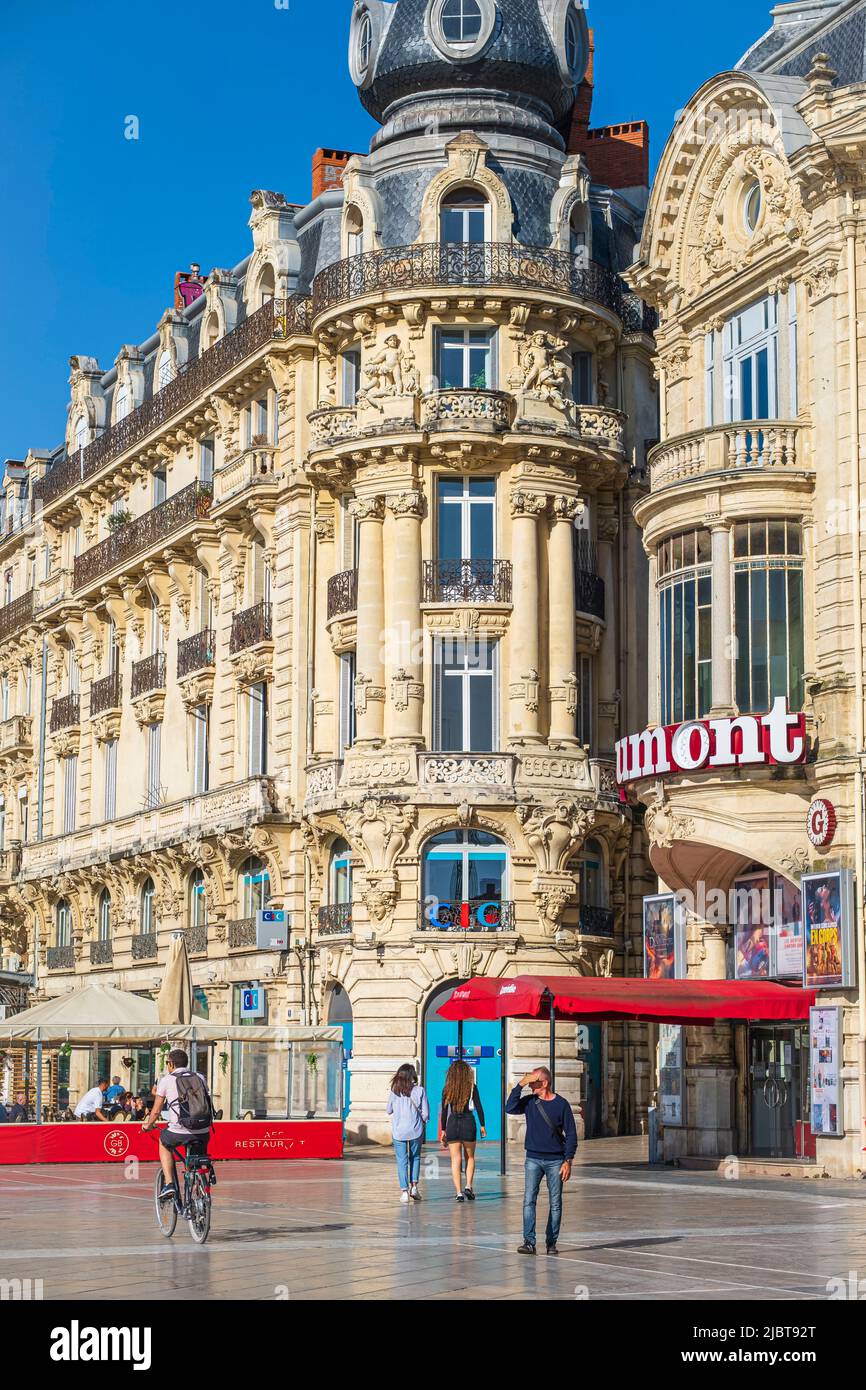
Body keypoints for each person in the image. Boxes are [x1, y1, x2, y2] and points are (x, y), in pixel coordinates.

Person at [506, 1068, 577, 1256]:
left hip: (556, 1160)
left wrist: (567, 1160)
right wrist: (520, 1084)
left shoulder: (562, 1104)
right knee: (529, 1200)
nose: (530, 1084)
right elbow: (510, 1107)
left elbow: (571, 1135)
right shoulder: (530, 1102)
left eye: (534, 1081)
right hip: (533, 1159)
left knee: (555, 1202)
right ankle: (529, 1242)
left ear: (544, 1083)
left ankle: (551, 1243)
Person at [142, 1049, 214, 1201]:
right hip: (203, 1130)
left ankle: (169, 1184)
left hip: (178, 1130)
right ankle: (198, 1188)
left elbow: (156, 1111)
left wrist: (148, 1125)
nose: (167, 1065)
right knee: (196, 1159)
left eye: (167, 1063)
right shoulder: (200, 1077)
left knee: (163, 1141)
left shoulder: (167, 1080)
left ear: (172, 1063)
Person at [438, 1059, 486, 1202]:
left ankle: (458, 1192)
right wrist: (483, 1125)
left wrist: (444, 1130)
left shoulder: (447, 1089)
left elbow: (445, 1111)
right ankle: (469, 1186)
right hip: (468, 1122)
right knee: (470, 1157)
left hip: (453, 1123)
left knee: (455, 1159)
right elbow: (479, 1107)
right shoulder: (472, 1087)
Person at [386, 1064, 429, 1204]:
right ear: (412, 1075)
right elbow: (426, 1114)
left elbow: (388, 1110)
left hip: (399, 1131)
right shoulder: (420, 1090)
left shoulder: (394, 1091)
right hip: (416, 1130)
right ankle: (414, 1187)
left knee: (401, 1161)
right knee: (415, 1158)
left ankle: (404, 1192)